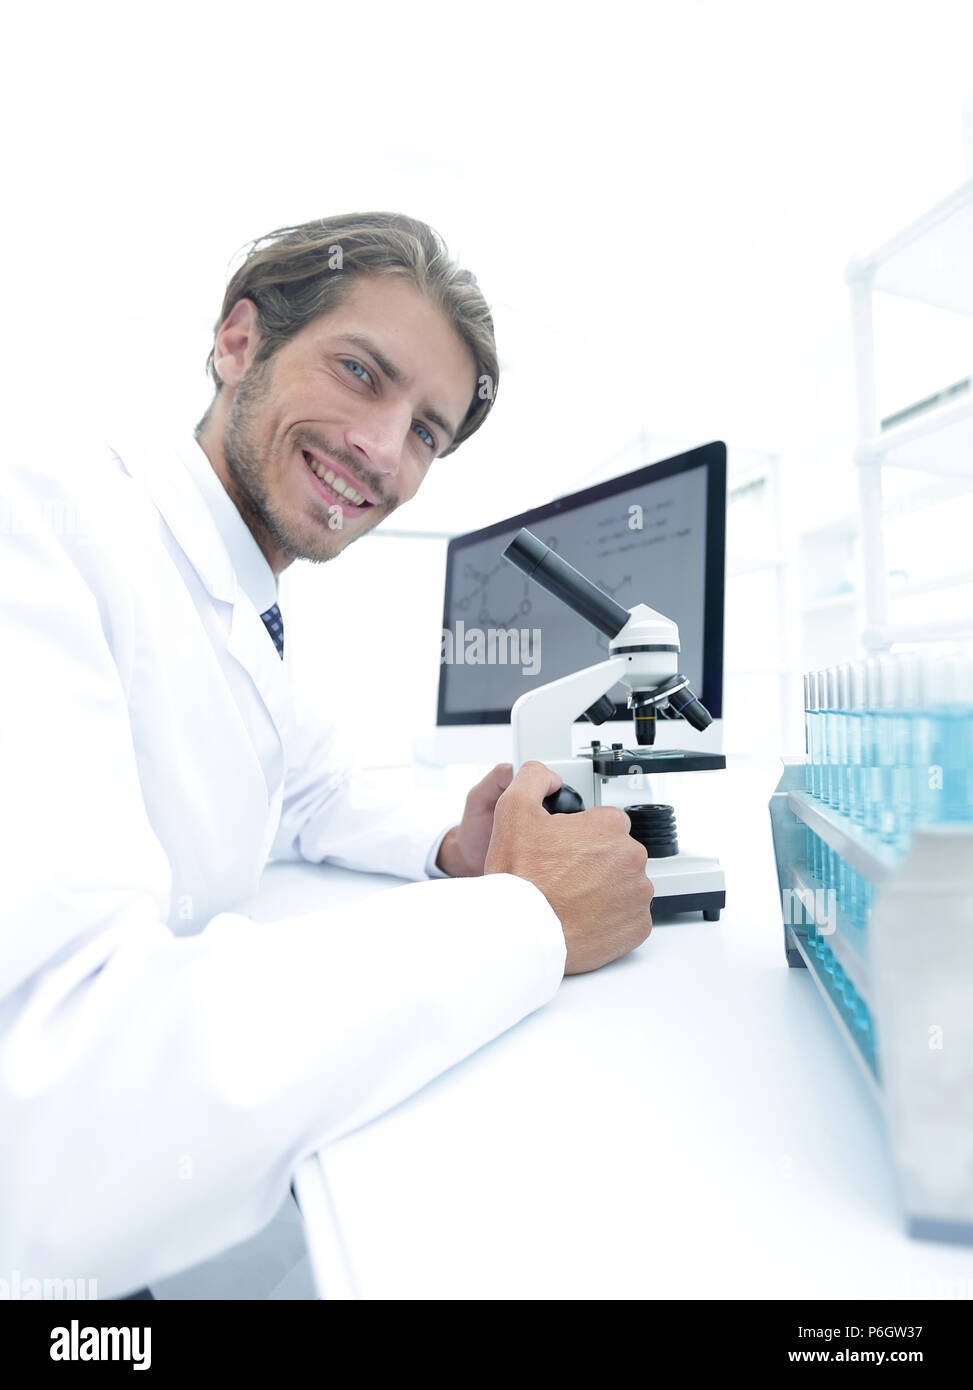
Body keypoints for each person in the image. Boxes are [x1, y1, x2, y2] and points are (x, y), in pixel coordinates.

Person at [0, 212, 653, 1299]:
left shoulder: (234, 591)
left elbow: (307, 784)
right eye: (361, 372)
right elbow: (59, 1098)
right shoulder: (46, 517)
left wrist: (454, 845)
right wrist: (529, 920)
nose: (383, 450)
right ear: (238, 341)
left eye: (428, 432)